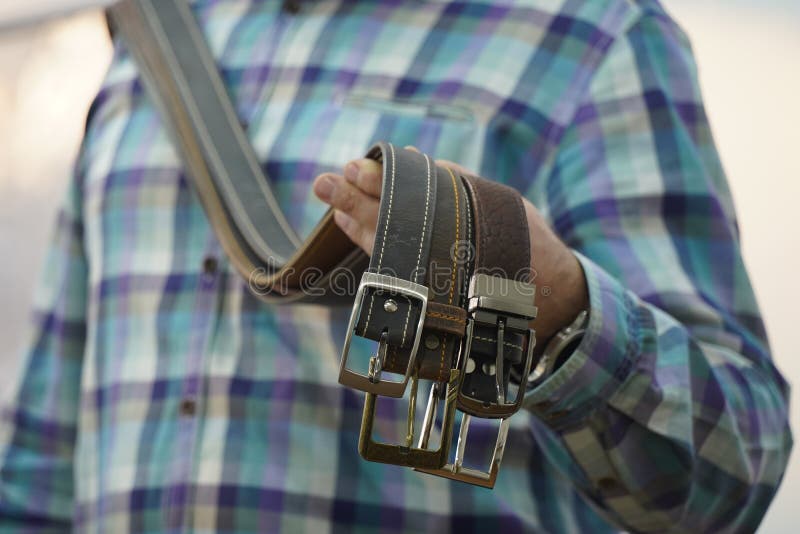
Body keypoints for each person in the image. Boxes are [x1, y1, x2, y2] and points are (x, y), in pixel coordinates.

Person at [0, 0, 792, 532]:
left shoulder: (596, 32)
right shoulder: (155, 35)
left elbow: (734, 469)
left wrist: (558, 308)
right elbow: (41, 457)